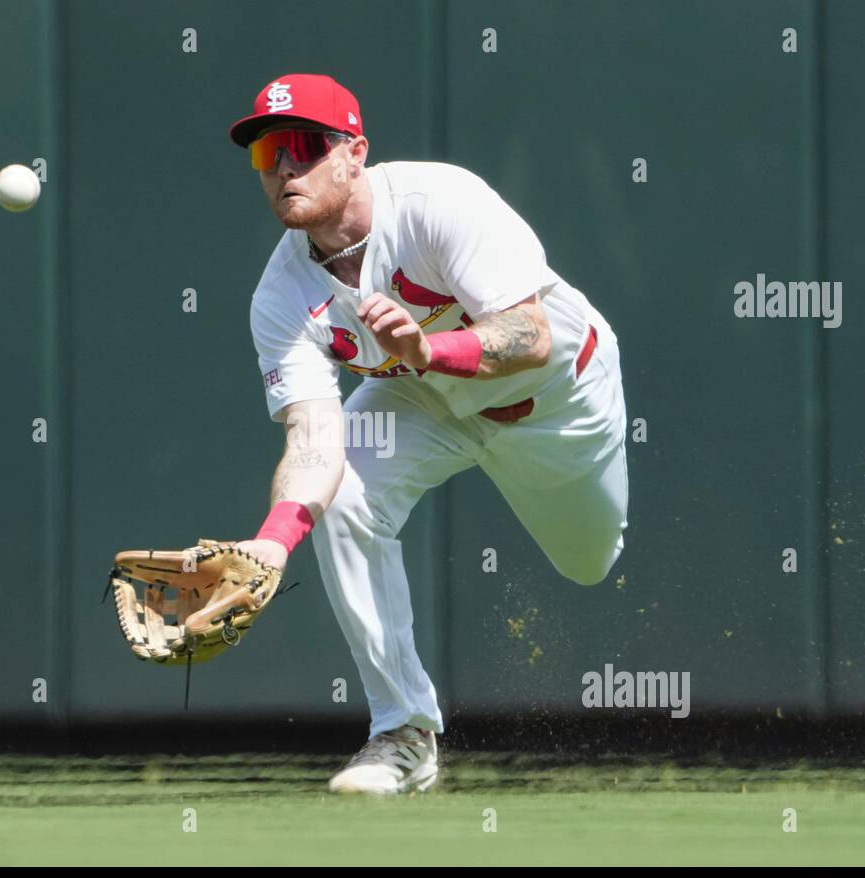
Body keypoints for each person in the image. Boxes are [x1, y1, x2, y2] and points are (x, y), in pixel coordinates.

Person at [229, 74, 629, 795]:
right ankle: (403, 732)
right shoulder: (280, 294)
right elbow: (316, 439)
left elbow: (530, 335)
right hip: (423, 399)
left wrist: (428, 351)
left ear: (354, 152)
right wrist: (271, 542)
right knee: (343, 491)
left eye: (303, 146)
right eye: (266, 154)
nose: (284, 167)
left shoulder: (436, 202)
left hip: (555, 402)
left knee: (589, 561)